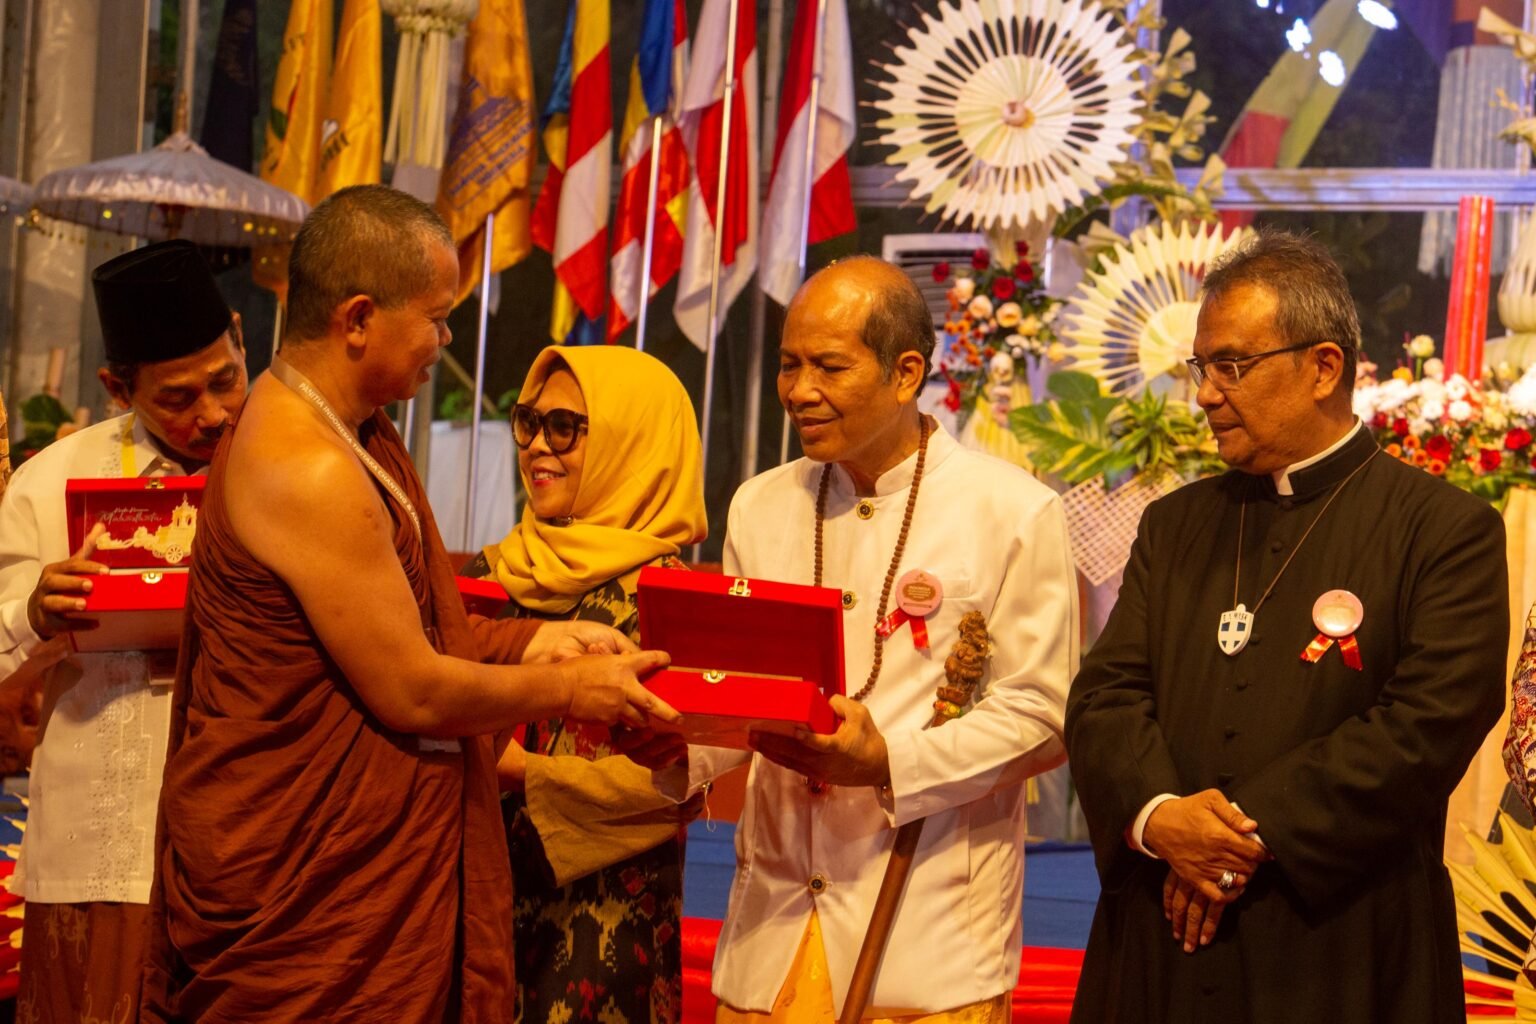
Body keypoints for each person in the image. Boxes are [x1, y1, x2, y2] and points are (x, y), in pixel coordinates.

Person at [141, 185, 676, 1024]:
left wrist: (530, 643)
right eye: (436, 317)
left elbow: (408, 621)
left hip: (350, 872)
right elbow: (413, 690)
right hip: (310, 894)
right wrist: (570, 689)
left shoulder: (347, 429)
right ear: (358, 318)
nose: (446, 340)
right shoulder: (308, 463)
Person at [1065, 230, 1509, 1023]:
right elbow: (1103, 699)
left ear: (1323, 367)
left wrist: (1234, 840)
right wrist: (1164, 819)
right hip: (1159, 939)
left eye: (1231, 366)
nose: (1204, 392)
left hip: (1342, 944)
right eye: (1202, 367)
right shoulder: (1173, 526)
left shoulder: (1444, 527)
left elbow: (1428, 722)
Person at [626, 255, 1078, 1021]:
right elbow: (740, 696)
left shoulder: (1012, 510)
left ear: (906, 373)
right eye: (790, 364)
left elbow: (1043, 716)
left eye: (828, 366)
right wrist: (679, 740)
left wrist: (889, 762)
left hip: (930, 939)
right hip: (771, 928)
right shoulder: (759, 505)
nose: (799, 390)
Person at [0, 239, 246, 1023]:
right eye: (177, 398)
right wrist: (35, 613)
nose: (210, 413)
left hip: (246, 846)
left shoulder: (285, 468)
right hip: (93, 839)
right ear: (116, 387)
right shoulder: (53, 480)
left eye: (226, 380)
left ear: (242, 337)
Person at [465, 344, 706, 1024]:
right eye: (528, 421)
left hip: (603, 936)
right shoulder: (490, 573)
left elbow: (683, 781)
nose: (538, 445)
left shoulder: (672, 598)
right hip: (466, 914)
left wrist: (513, 771)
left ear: (634, 439)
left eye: (565, 426)